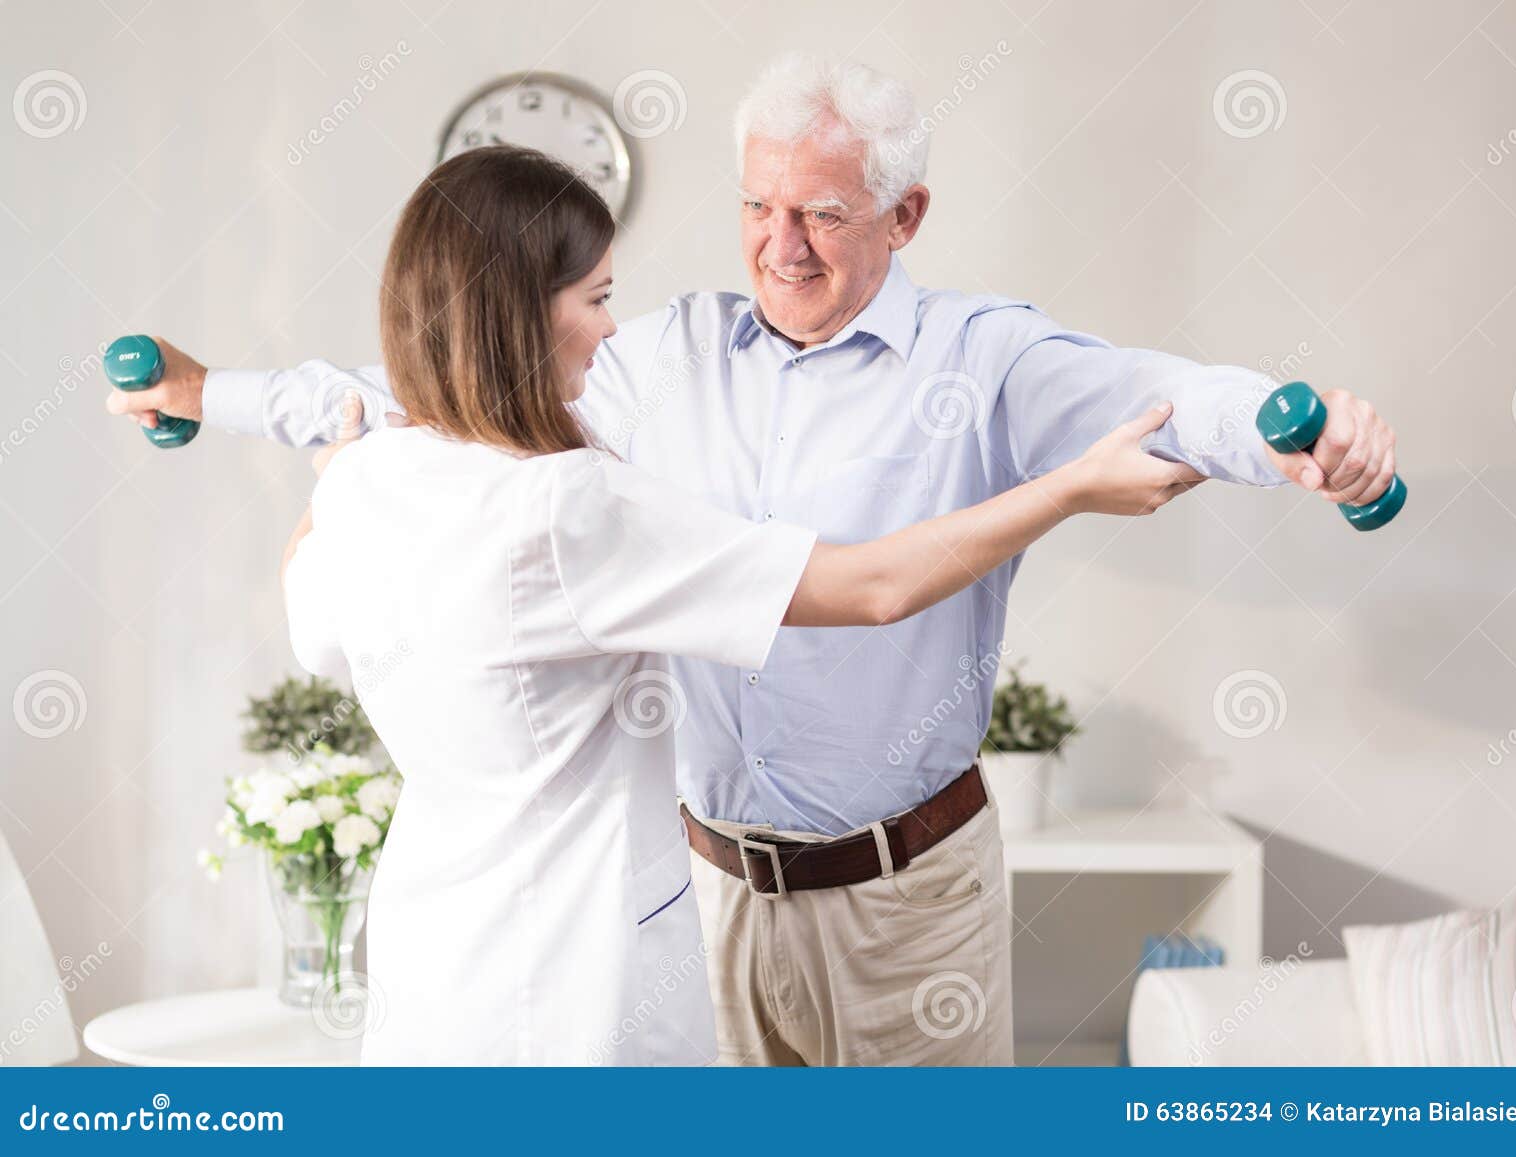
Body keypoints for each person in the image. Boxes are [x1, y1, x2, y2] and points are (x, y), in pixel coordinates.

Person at [107, 54, 1398, 1066]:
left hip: (905, 898)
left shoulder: (985, 359)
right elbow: (446, 399)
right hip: (700, 893)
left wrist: (1303, 433)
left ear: (907, 214)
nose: (780, 243)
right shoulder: (654, 359)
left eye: (822, 213)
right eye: (757, 206)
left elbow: (1162, 397)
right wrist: (218, 394)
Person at [277, 145, 1207, 1065]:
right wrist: (1073, 487)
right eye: (597, 298)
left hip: (435, 972)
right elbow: (872, 586)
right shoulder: (568, 508)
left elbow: (312, 618)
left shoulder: (367, 482)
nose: (612, 333)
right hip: (577, 989)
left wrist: (331, 475)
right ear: (516, 316)